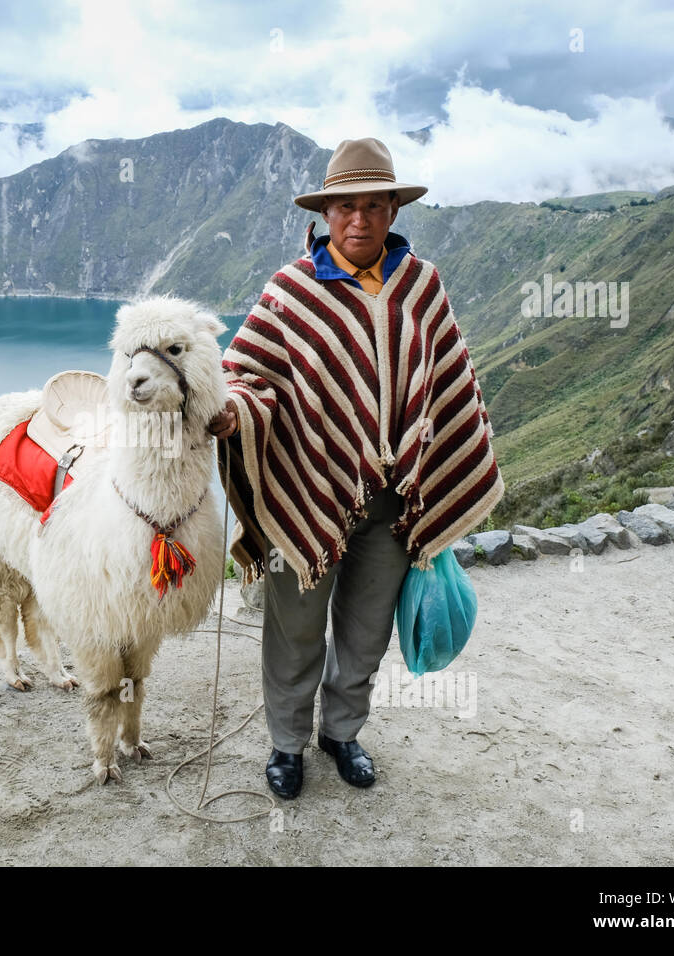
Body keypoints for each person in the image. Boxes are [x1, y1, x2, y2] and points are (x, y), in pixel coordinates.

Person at [207, 136, 504, 800]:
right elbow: (249, 378)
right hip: (307, 495)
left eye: (374, 205)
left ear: (394, 211)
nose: (360, 220)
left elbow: (452, 379)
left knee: (366, 631)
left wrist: (441, 457)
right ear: (327, 212)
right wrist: (233, 415)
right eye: (347, 207)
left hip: (396, 502)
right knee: (297, 628)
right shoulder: (291, 291)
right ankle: (287, 744)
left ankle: (342, 733)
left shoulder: (423, 286)